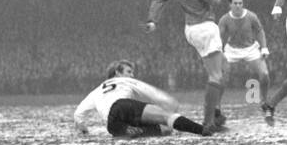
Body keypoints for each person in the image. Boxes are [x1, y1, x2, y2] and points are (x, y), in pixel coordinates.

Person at [145, 0, 226, 134]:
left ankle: (216, 113)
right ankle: (208, 122)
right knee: (217, 75)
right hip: (205, 27)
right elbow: (214, 0)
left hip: (190, 29)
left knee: (221, 70)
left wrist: (152, 20)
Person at [74, 59, 207, 138]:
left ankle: (132, 131)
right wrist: (170, 104)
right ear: (118, 73)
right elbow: (154, 94)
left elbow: (78, 114)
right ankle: (204, 130)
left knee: (162, 130)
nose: (132, 75)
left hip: (113, 125)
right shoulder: (125, 81)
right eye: (129, 72)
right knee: (167, 119)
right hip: (123, 106)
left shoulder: (96, 91)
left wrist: (84, 131)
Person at [219, 0, 271, 109]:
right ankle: (217, 105)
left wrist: (264, 47)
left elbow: (259, 31)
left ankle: (264, 101)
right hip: (232, 50)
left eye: (240, 3)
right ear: (230, 5)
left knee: (265, 74)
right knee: (221, 76)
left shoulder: (251, 16)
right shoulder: (224, 19)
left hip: (250, 49)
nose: (238, 5)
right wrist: (218, 52)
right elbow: (219, 37)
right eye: (235, 3)